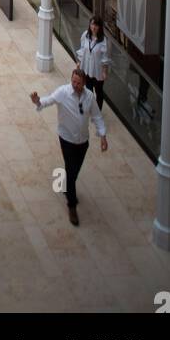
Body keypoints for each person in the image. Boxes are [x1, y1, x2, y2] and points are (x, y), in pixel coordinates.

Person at [30, 67, 108, 225]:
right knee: (71, 172)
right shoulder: (63, 92)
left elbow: (97, 116)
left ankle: (65, 185)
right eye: (73, 81)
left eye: (78, 83)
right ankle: (72, 205)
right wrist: (37, 101)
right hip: (66, 139)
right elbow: (48, 101)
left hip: (83, 141)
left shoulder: (89, 97)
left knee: (74, 170)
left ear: (84, 83)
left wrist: (103, 136)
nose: (75, 84)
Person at [77, 14, 110, 110]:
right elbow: (82, 49)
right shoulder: (85, 35)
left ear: (99, 27)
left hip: (97, 70)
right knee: (89, 90)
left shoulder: (103, 41)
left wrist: (104, 71)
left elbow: (104, 57)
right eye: (92, 24)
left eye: (96, 25)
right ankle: (90, 108)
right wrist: (79, 62)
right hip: (87, 68)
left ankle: (98, 111)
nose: (94, 27)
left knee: (99, 91)